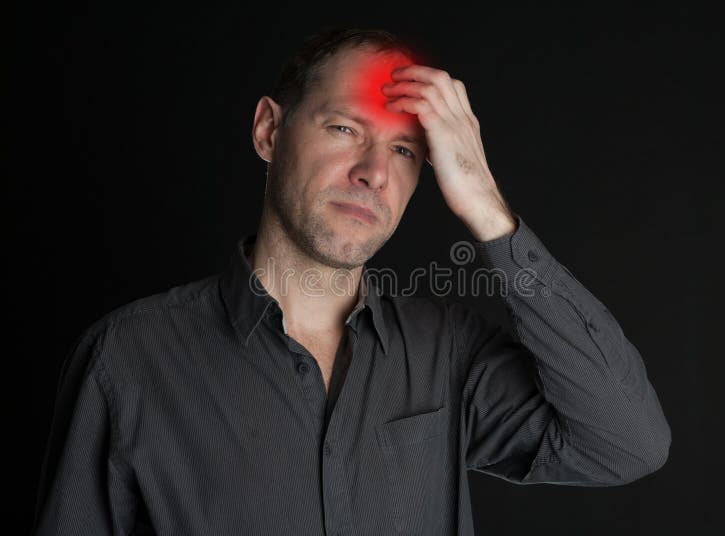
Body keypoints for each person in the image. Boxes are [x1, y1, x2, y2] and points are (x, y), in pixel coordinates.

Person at [32, 26, 671, 535]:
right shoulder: (129, 357)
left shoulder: (445, 351)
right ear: (268, 130)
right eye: (344, 129)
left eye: (405, 150)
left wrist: (487, 206)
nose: (374, 171)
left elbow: (627, 442)